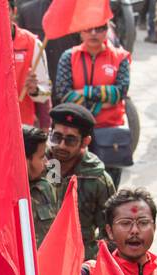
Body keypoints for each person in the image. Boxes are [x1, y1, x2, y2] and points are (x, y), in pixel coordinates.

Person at [56, 21, 132, 183]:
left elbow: (119, 93)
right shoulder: (68, 57)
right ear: (80, 32)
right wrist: (103, 99)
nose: (93, 33)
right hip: (73, 135)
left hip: (109, 132)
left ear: (107, 30)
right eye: (88, 29)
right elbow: (64, 95)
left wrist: (83, 93)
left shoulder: (121, 57)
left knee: (108, 187)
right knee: (70, 186)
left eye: (99, 29)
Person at [46, 104, 115, 260]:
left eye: (70, 140)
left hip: (79, 262)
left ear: (85, 141)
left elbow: (110, 235)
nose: (61, 145)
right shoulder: (38, 165)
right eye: (56, 137)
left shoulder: (98, 180)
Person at [10, 1, 52, 127]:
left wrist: (35, 90)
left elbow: (45, 94)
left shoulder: (32, 44)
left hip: (22, 128)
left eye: (5, 9)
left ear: (14, 12)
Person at [26, 125, 60, 244]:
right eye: (41, 157)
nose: (46, 163)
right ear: (24, 160)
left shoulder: (45, 188)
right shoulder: (0, 195)